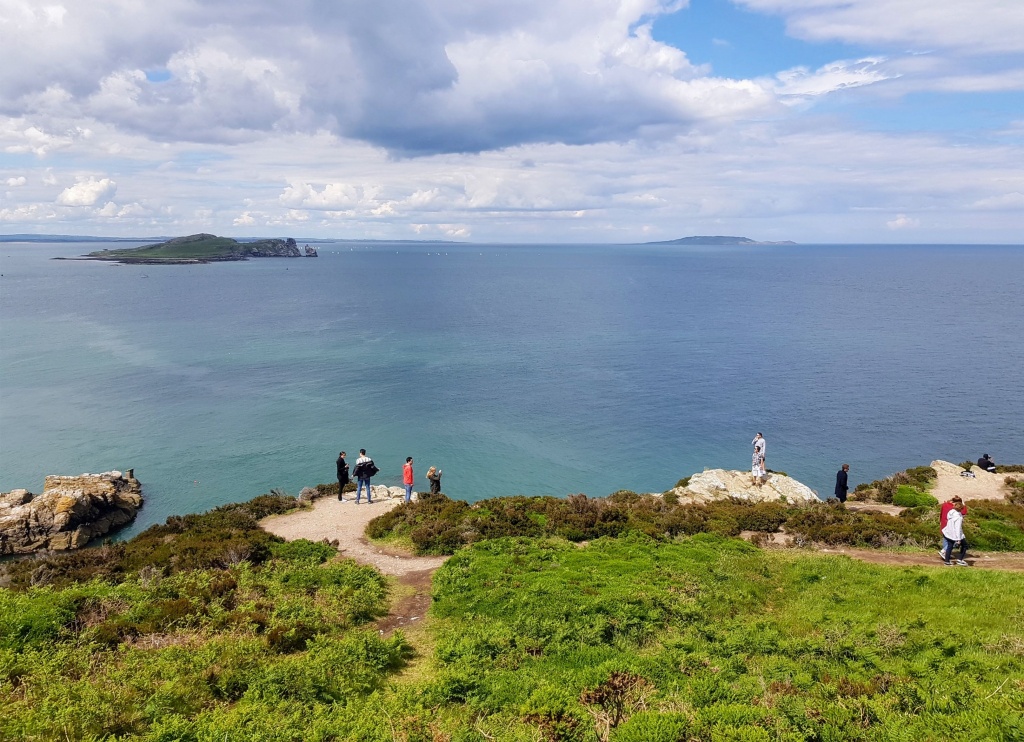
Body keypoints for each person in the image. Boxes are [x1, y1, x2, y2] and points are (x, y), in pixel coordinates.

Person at [941, 500, 969, 566]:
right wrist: (958, 539)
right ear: (961, 509)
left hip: (948, 532)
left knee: (949, 547)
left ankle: (947, 562)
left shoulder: (951, 512)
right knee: (965, 546)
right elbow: (958, 528)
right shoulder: (958, 517)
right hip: (955, 535)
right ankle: (960, 560)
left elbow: (948, 518)